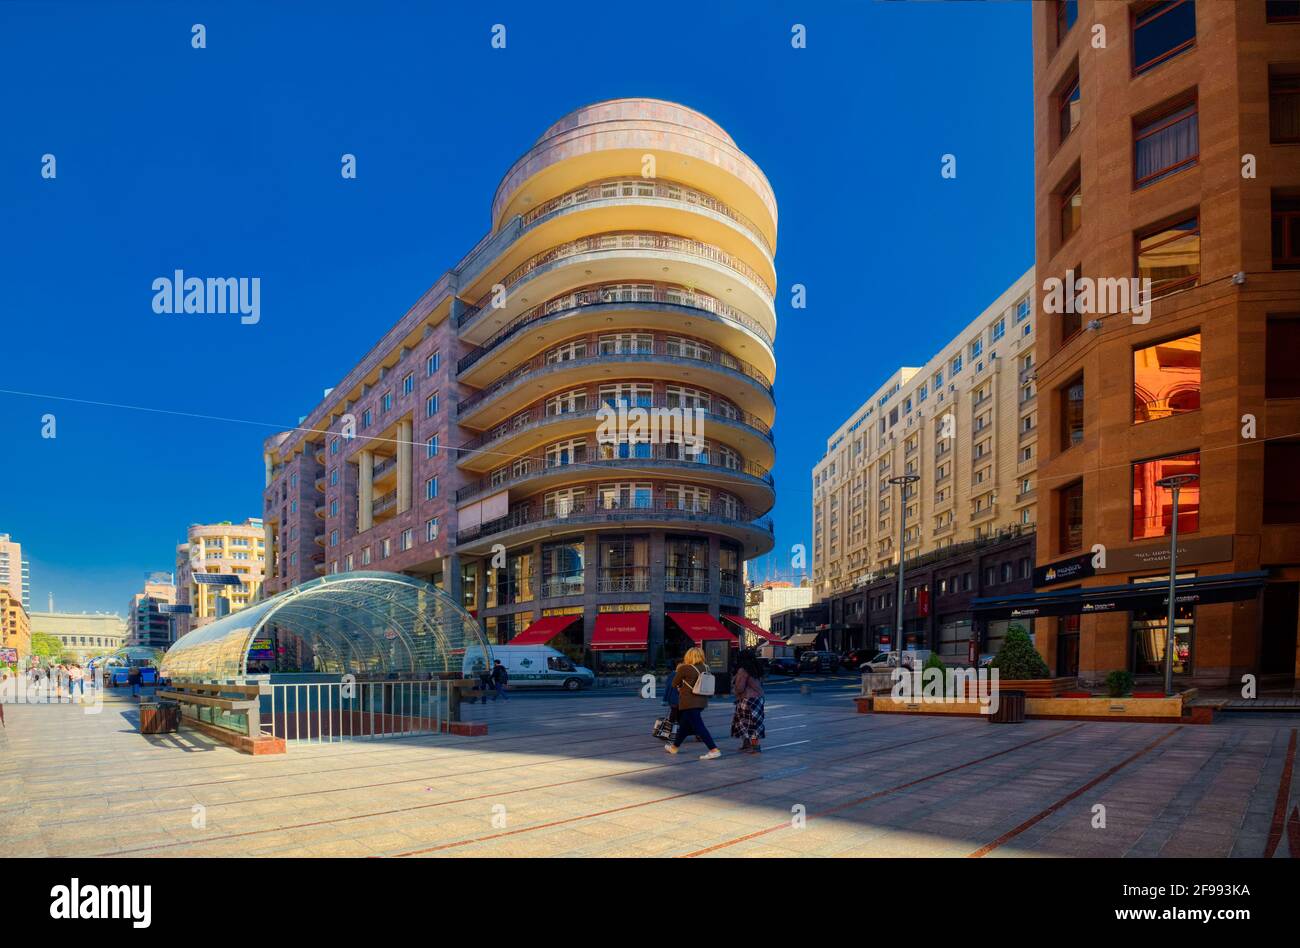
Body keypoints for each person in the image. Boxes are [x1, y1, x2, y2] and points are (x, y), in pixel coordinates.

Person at [666, 647, 720, 759]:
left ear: (688, 656)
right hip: (702, 701)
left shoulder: (684, 668)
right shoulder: (706, 667)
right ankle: (674, 747)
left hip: (689, 702)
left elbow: (674, 683)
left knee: (699, 726)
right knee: (685, 726)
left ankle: (713, 749)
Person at [730, 650, 767, 754]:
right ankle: (751, 745)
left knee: (746, 724)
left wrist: (734, 689)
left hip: (747, 700)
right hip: (758, 700)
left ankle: (753, 746)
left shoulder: (743, 670)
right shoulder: (756, 668)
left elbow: (740, 687)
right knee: (754, 723)